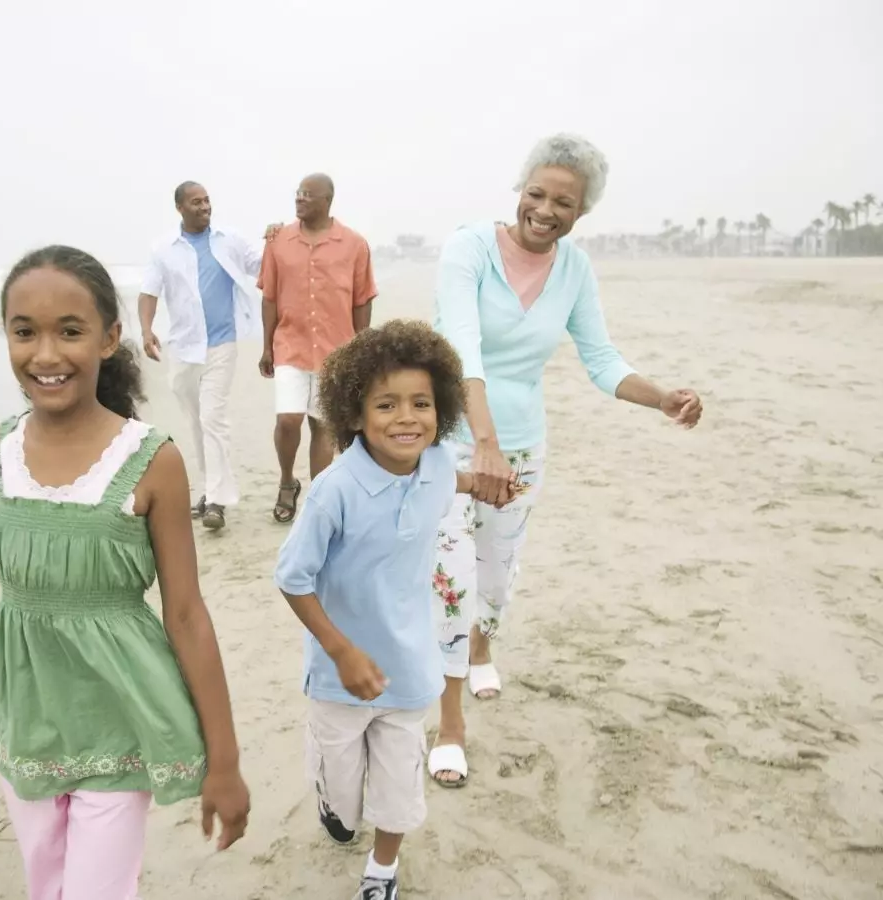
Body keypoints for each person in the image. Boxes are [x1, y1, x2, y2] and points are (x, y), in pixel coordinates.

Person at [0, 245, 251, 900]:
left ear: (110, 338)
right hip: (25, 712)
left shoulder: (154, 462)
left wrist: (223, 761)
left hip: (120, 713)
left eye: (70, 331)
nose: (46, 354)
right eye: (24, 331)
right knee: (45, 881)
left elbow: (186, 614)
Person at [425, 133, 704, 788]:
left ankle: (483, 644)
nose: (546, 211)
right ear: (519, 191)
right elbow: (461, 348)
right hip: (453, 438)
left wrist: (661, 396)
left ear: (582, 212)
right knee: (451, 578)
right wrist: (481, 443)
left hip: (522, 445)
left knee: (496, 574)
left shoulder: (575, 269)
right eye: (537, 194)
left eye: (564, 203)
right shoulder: (468, 248)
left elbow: (602, 360)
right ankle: (450, 723)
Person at [275, 320, 473, 900]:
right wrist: (340, 650)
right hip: (338, 677)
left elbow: (446, 480)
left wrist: (481, 484)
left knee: (399, 784)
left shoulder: (435, 466)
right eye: (386, 405)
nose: (407, 417)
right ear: (355, 416)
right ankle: (331, 797)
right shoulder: (333, 490)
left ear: (443, 410)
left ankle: (382, 869)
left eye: (421, 403)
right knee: (344, 794)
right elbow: (291, 578)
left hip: (410, 668)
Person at [137, 181, 266, 531]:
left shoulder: (229, 238)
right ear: (180, 207)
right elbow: (149, 292)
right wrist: (147, 330)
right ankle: (210, 490)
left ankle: (217, 501)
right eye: (196, 202)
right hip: (183, 348)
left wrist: (278, 238)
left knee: (213, 418)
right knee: (195, 422)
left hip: (222, 344)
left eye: (207, 200)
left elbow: (261, 264)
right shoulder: (163, 249)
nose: (204, 206)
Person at [258, 173, 377, 524]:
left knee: (323, 426)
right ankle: (285, 481)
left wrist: (360, 348)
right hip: (289, 346)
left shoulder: (355, 245)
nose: (299, 199)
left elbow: (362, 299)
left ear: (327, 201)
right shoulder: (277, 241)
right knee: (288, 418)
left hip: (335, 350)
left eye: (307, 195)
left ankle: (319, 498)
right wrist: (266, 346)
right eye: (297, 193)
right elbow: (269, 297)